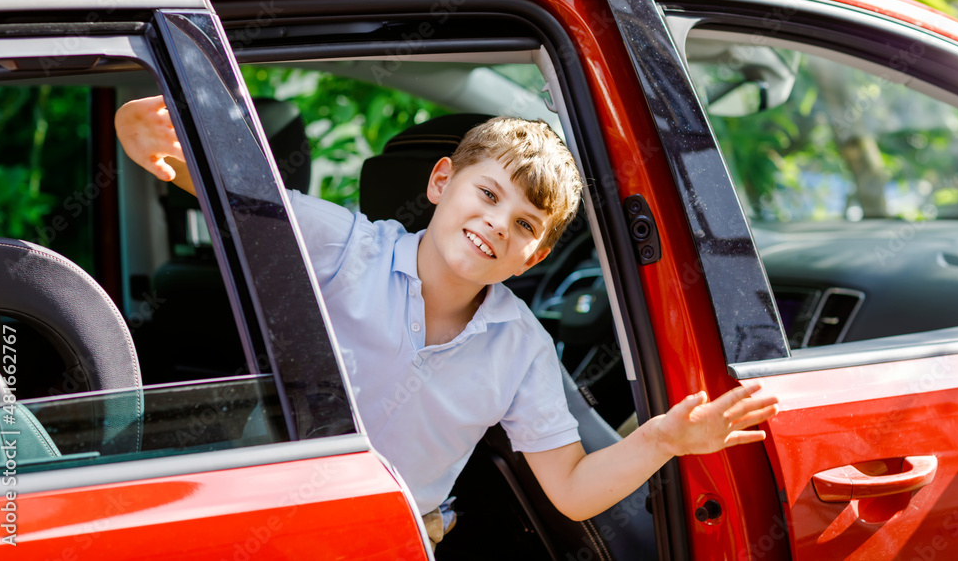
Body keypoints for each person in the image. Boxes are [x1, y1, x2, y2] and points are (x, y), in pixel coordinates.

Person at [115, 95, 779, 546]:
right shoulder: (350, 247)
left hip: (400, 541)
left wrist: (661, 439)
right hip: (276, 526)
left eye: (523, 223)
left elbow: (572, 491)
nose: (496, 221)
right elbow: (240, 194)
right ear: (441, 183)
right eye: (486, 193)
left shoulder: (520, 346)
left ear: (535, 256)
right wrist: (141, 137)